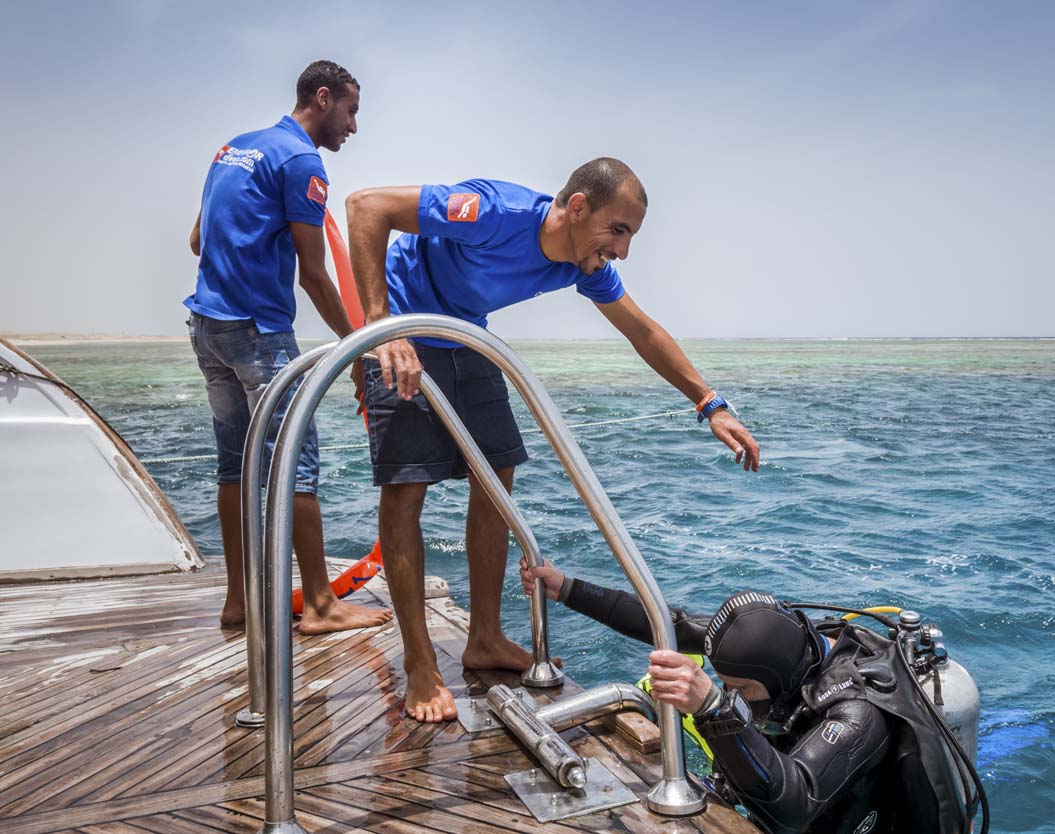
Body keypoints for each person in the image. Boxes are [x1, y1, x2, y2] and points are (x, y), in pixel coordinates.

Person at [344, 159, 761, 722]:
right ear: (579, 207)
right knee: (407, 488)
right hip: (403, 330)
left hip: (468, 334)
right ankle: (420, 662)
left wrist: (709, 403)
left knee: (497, 478)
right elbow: (367, 207)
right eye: (618, 230)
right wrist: (378, 328)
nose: (624, 250)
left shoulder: (584, 266)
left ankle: (485, 636)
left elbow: (642, 329)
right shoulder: (494, 211)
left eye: (632, 235)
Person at [521, 560, 977, 834]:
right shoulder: (787, 647)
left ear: (775, 679)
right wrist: (568, 589)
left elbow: (794, 807)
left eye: (741, 690)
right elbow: (671, 625)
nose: (732, 694)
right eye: (727, 685)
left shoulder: (857, 709)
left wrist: (712, 707)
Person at [184, 60, 391, 634]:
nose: (353, 126)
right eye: (350, 110)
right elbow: (314, 277)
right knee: (296, 465)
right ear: (322, 99)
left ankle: (238, 601)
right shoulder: (302, 162)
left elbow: (197, 239)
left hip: (206, 327)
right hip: (257, 332)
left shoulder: (234, 148)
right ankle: (322, 605)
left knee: (235, 467)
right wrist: (361, 345)